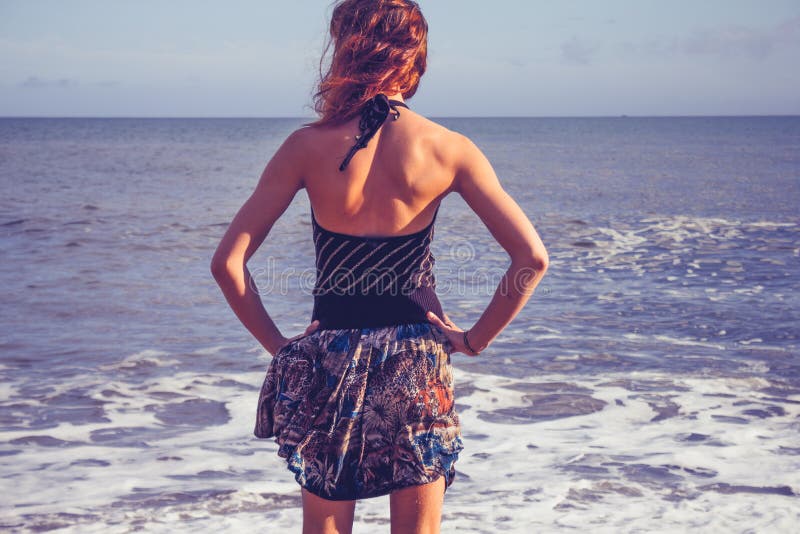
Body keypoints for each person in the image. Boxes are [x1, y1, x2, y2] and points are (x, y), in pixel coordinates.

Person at [210, 0, 549, 532]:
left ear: (345, 49)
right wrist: (474, 339)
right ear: (414, 55)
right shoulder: (450, 149)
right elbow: (531, 258)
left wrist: (282, 347)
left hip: (330, 355)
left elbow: (228, 264)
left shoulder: (305, 147)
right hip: (415, 359)